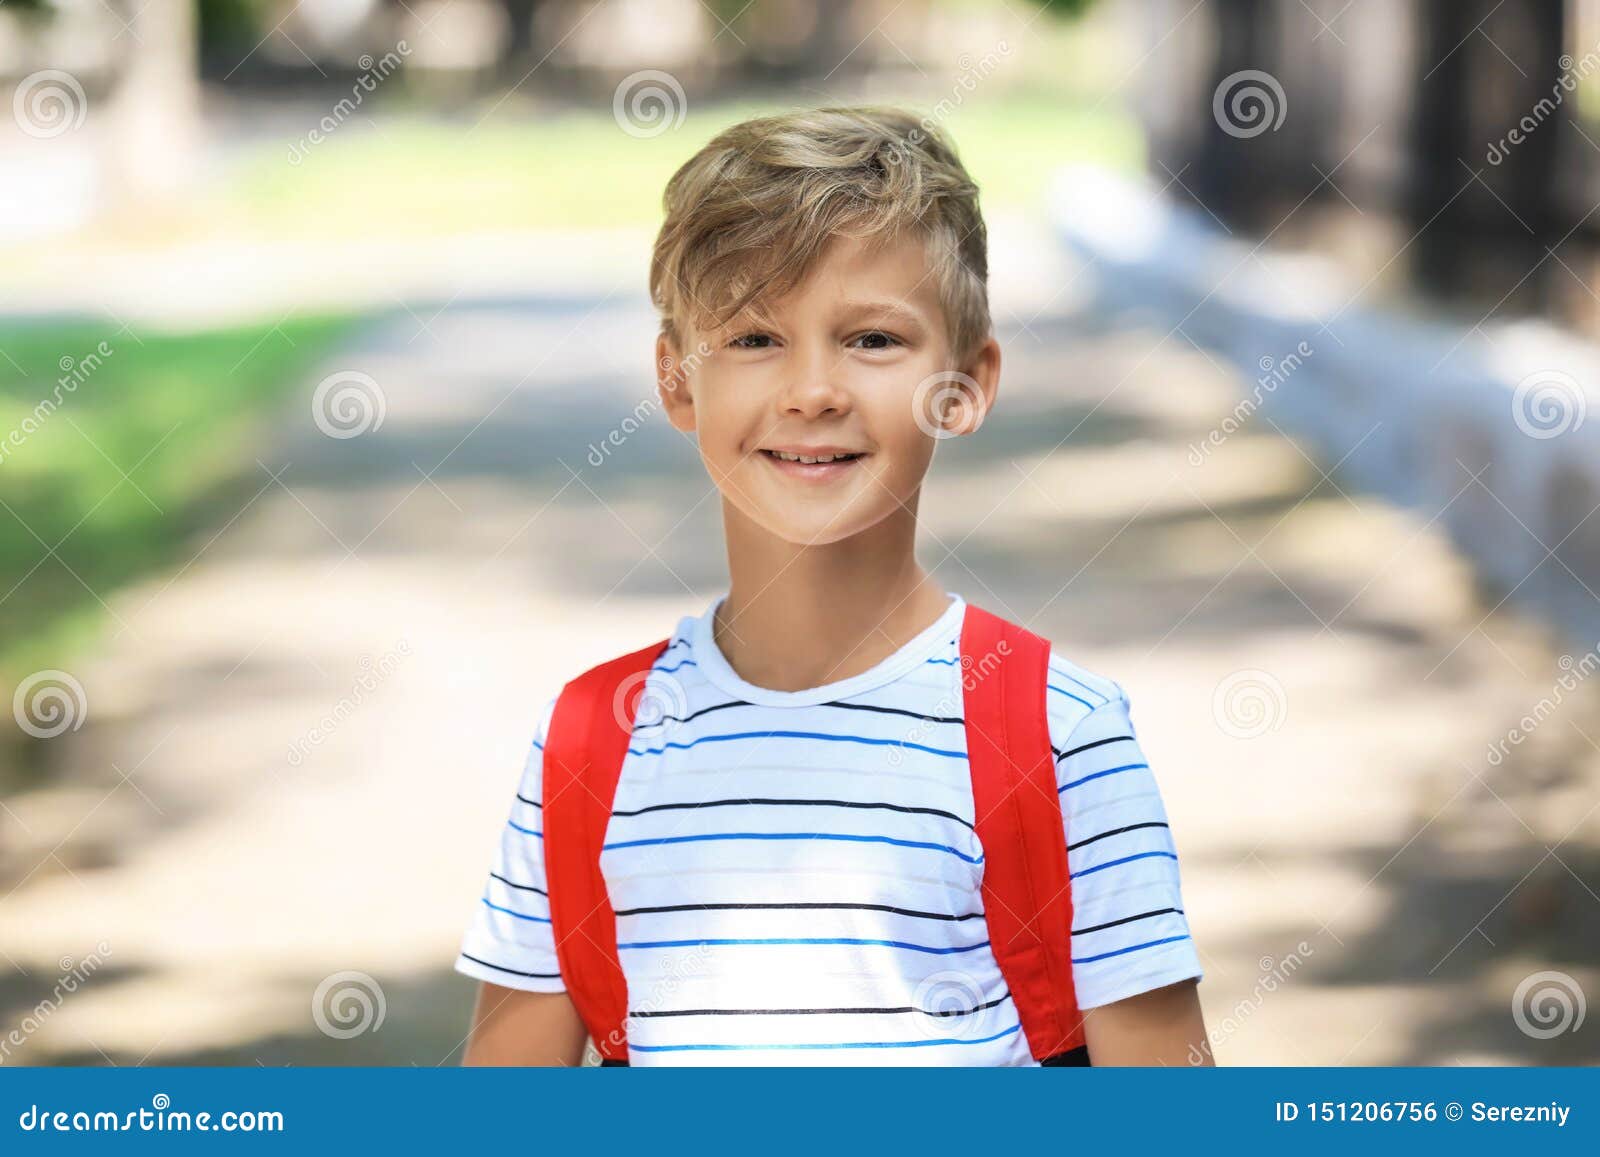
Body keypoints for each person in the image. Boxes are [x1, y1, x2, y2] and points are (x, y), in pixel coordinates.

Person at [455, 107, 1211, 1066]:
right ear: (678, 381)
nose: (813, 389)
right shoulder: (589, 743)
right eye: (756, 338)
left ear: (966, 384)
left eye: (873, 341)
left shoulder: (1062, 735)